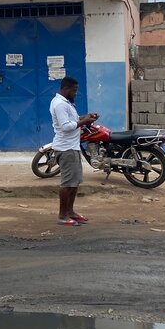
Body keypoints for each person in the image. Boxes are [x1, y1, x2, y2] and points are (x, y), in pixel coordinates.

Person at [50, 76, 98, 226]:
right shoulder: (59, 104)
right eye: (74, 90)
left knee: (74, 182)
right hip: (65, 148)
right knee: (67, 183)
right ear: (66, 89)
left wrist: (87, 117)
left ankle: (70, 212)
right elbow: (66, 126)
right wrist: (84, 121)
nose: (76, 93)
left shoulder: (67, 103)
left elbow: (74, 119)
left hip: (73, 147)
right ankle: (62, 215)